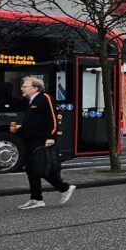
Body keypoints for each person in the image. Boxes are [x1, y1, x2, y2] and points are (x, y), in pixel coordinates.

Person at [13, 77, 75, 210]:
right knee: (31, 169)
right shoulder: (31, 101)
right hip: (30, 141)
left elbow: (53, 118)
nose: (22, 88)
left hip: (42, 141)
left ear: (35, 88)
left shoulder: (45, 98)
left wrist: (51, 136)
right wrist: (20, 129)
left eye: (25, 86)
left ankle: (65, 188)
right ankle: (36, 199)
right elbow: (35, 122)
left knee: (42, 169)